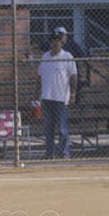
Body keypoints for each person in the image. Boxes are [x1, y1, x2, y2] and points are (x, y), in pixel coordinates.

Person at [37, 27, 77, 159]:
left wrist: (73, 94)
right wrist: (37, 95)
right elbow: (39, 77)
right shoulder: (45, 56)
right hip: (46, 98)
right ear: (50, 42)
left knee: (62, 129)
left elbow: (74, 76)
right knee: (48, 129)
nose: (55, 43)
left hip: (61, 98)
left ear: (62, 42)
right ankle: (50, 153)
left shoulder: (67, 56)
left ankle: (64, 153)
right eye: (53, 40)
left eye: (58, 40)